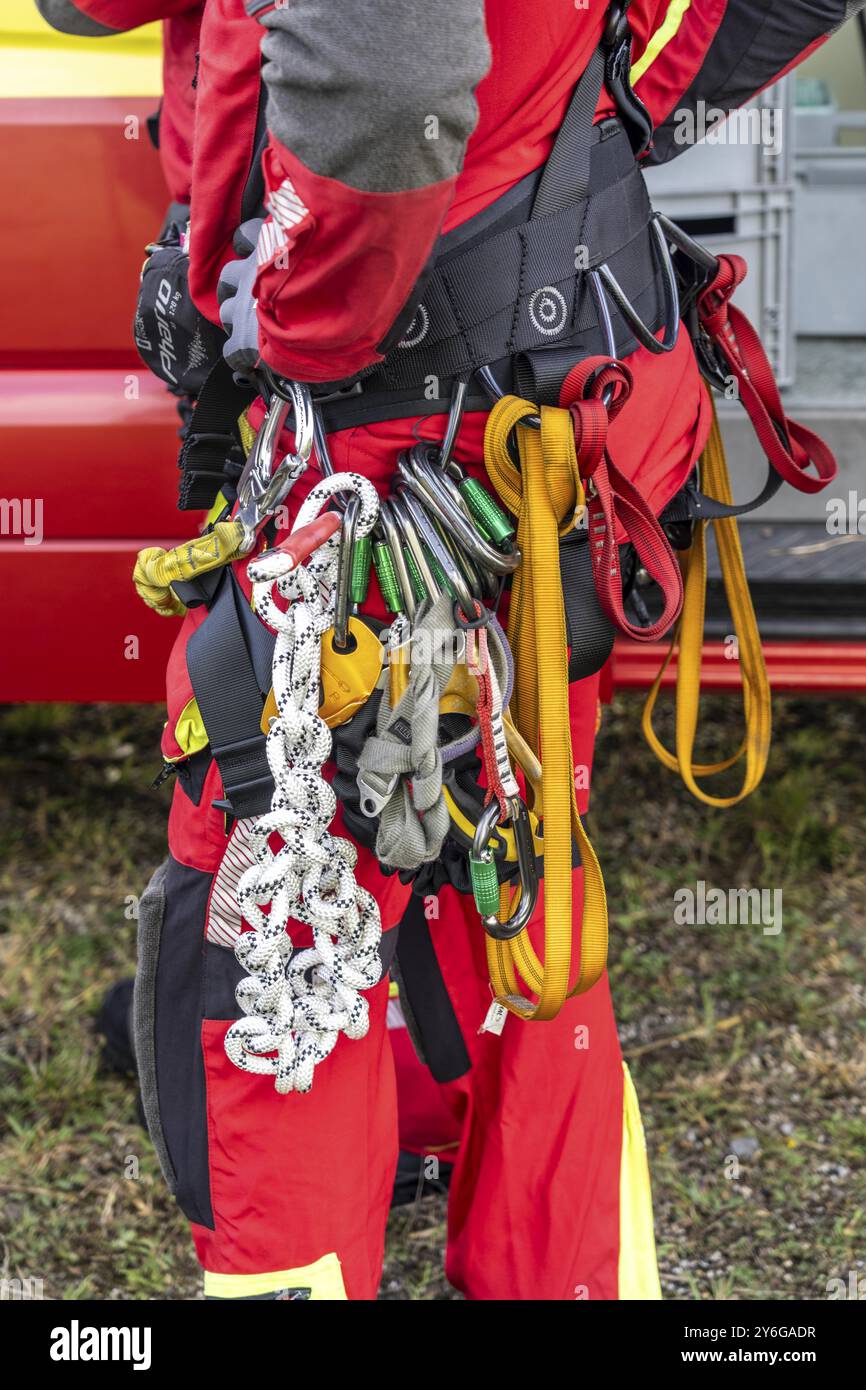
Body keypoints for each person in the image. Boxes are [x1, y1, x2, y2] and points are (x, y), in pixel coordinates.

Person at [40, 0, 856, 1301]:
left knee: (282, 907)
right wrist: (584, 140)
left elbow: (386, 62)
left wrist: (296, 318)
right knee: (513, 859)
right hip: (535, 401)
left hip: (409, 415)